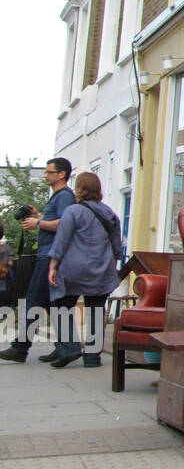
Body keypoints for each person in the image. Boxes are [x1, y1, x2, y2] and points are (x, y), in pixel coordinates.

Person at [0, 158, 75, 364]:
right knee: (53, 303)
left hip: (49, 255)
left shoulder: (65, 197)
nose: (45, 175)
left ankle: (20, 348)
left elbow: (65, 223)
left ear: (61, 174)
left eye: (49, 172)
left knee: (33, 300)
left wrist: (38, 223)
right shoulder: (59, 197)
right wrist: (38, 215)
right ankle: (66, 348)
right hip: (48, 254)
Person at [46, 172, 123, 368]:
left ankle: (70, 348)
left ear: (80, 189)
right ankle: (92, 357)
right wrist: (112, 267)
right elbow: (116, 246)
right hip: (101, 270)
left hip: (74, 269)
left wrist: (53, 266)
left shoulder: (72, 212)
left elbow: (61, 242)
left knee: (61, 306)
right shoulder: (110, 214)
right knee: (96, 311)